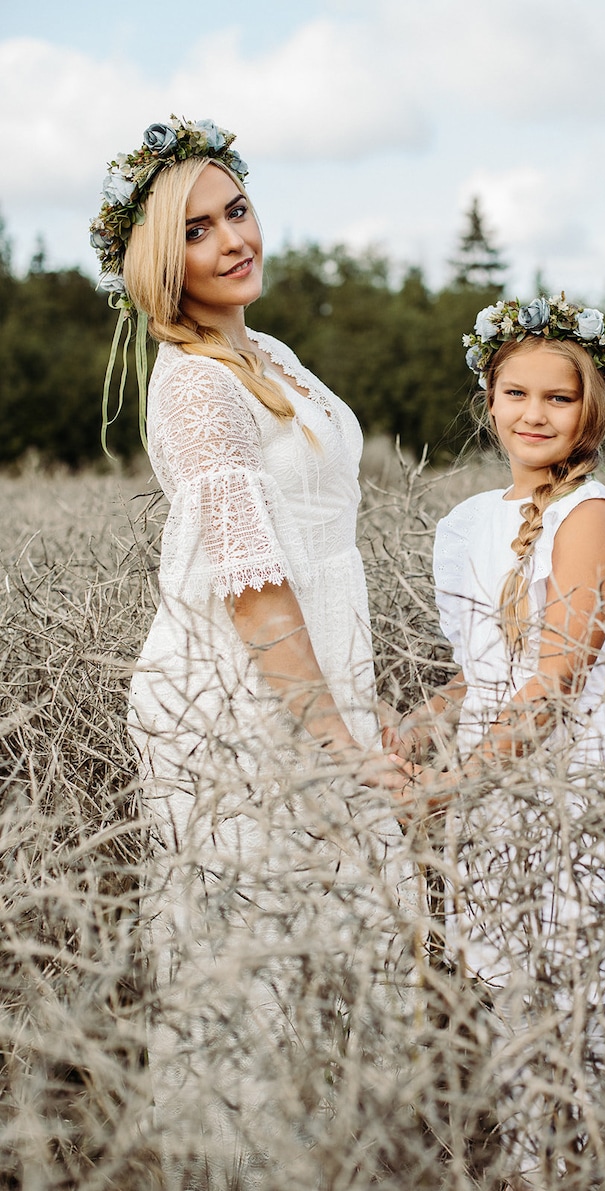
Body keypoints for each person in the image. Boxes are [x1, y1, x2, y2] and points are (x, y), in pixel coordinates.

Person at [90, 118, 411, 1189]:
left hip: (311, 669)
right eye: (196, 229)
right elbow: (252, 582)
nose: (232, 239)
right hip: (232, 696)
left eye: (236, 210)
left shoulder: (267, 355)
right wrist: (337, 741)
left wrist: (351, 710)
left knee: (339, 939)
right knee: (251, 960)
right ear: (157, 261)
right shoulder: (196, 383)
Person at [387, 294, 605, 1184]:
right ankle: (523, 1162)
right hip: (493, 769)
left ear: (593, 408)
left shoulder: (592, 516)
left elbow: (553, 682)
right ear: (489, 397)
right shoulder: (474, 518)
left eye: (559, 397)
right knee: (513, 993)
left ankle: (575, 1166)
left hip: (569, 776)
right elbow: (485, 669)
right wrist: (417, 726)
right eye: (516, 393)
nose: (534, 414)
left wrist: (457, 782)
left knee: (572, 997)